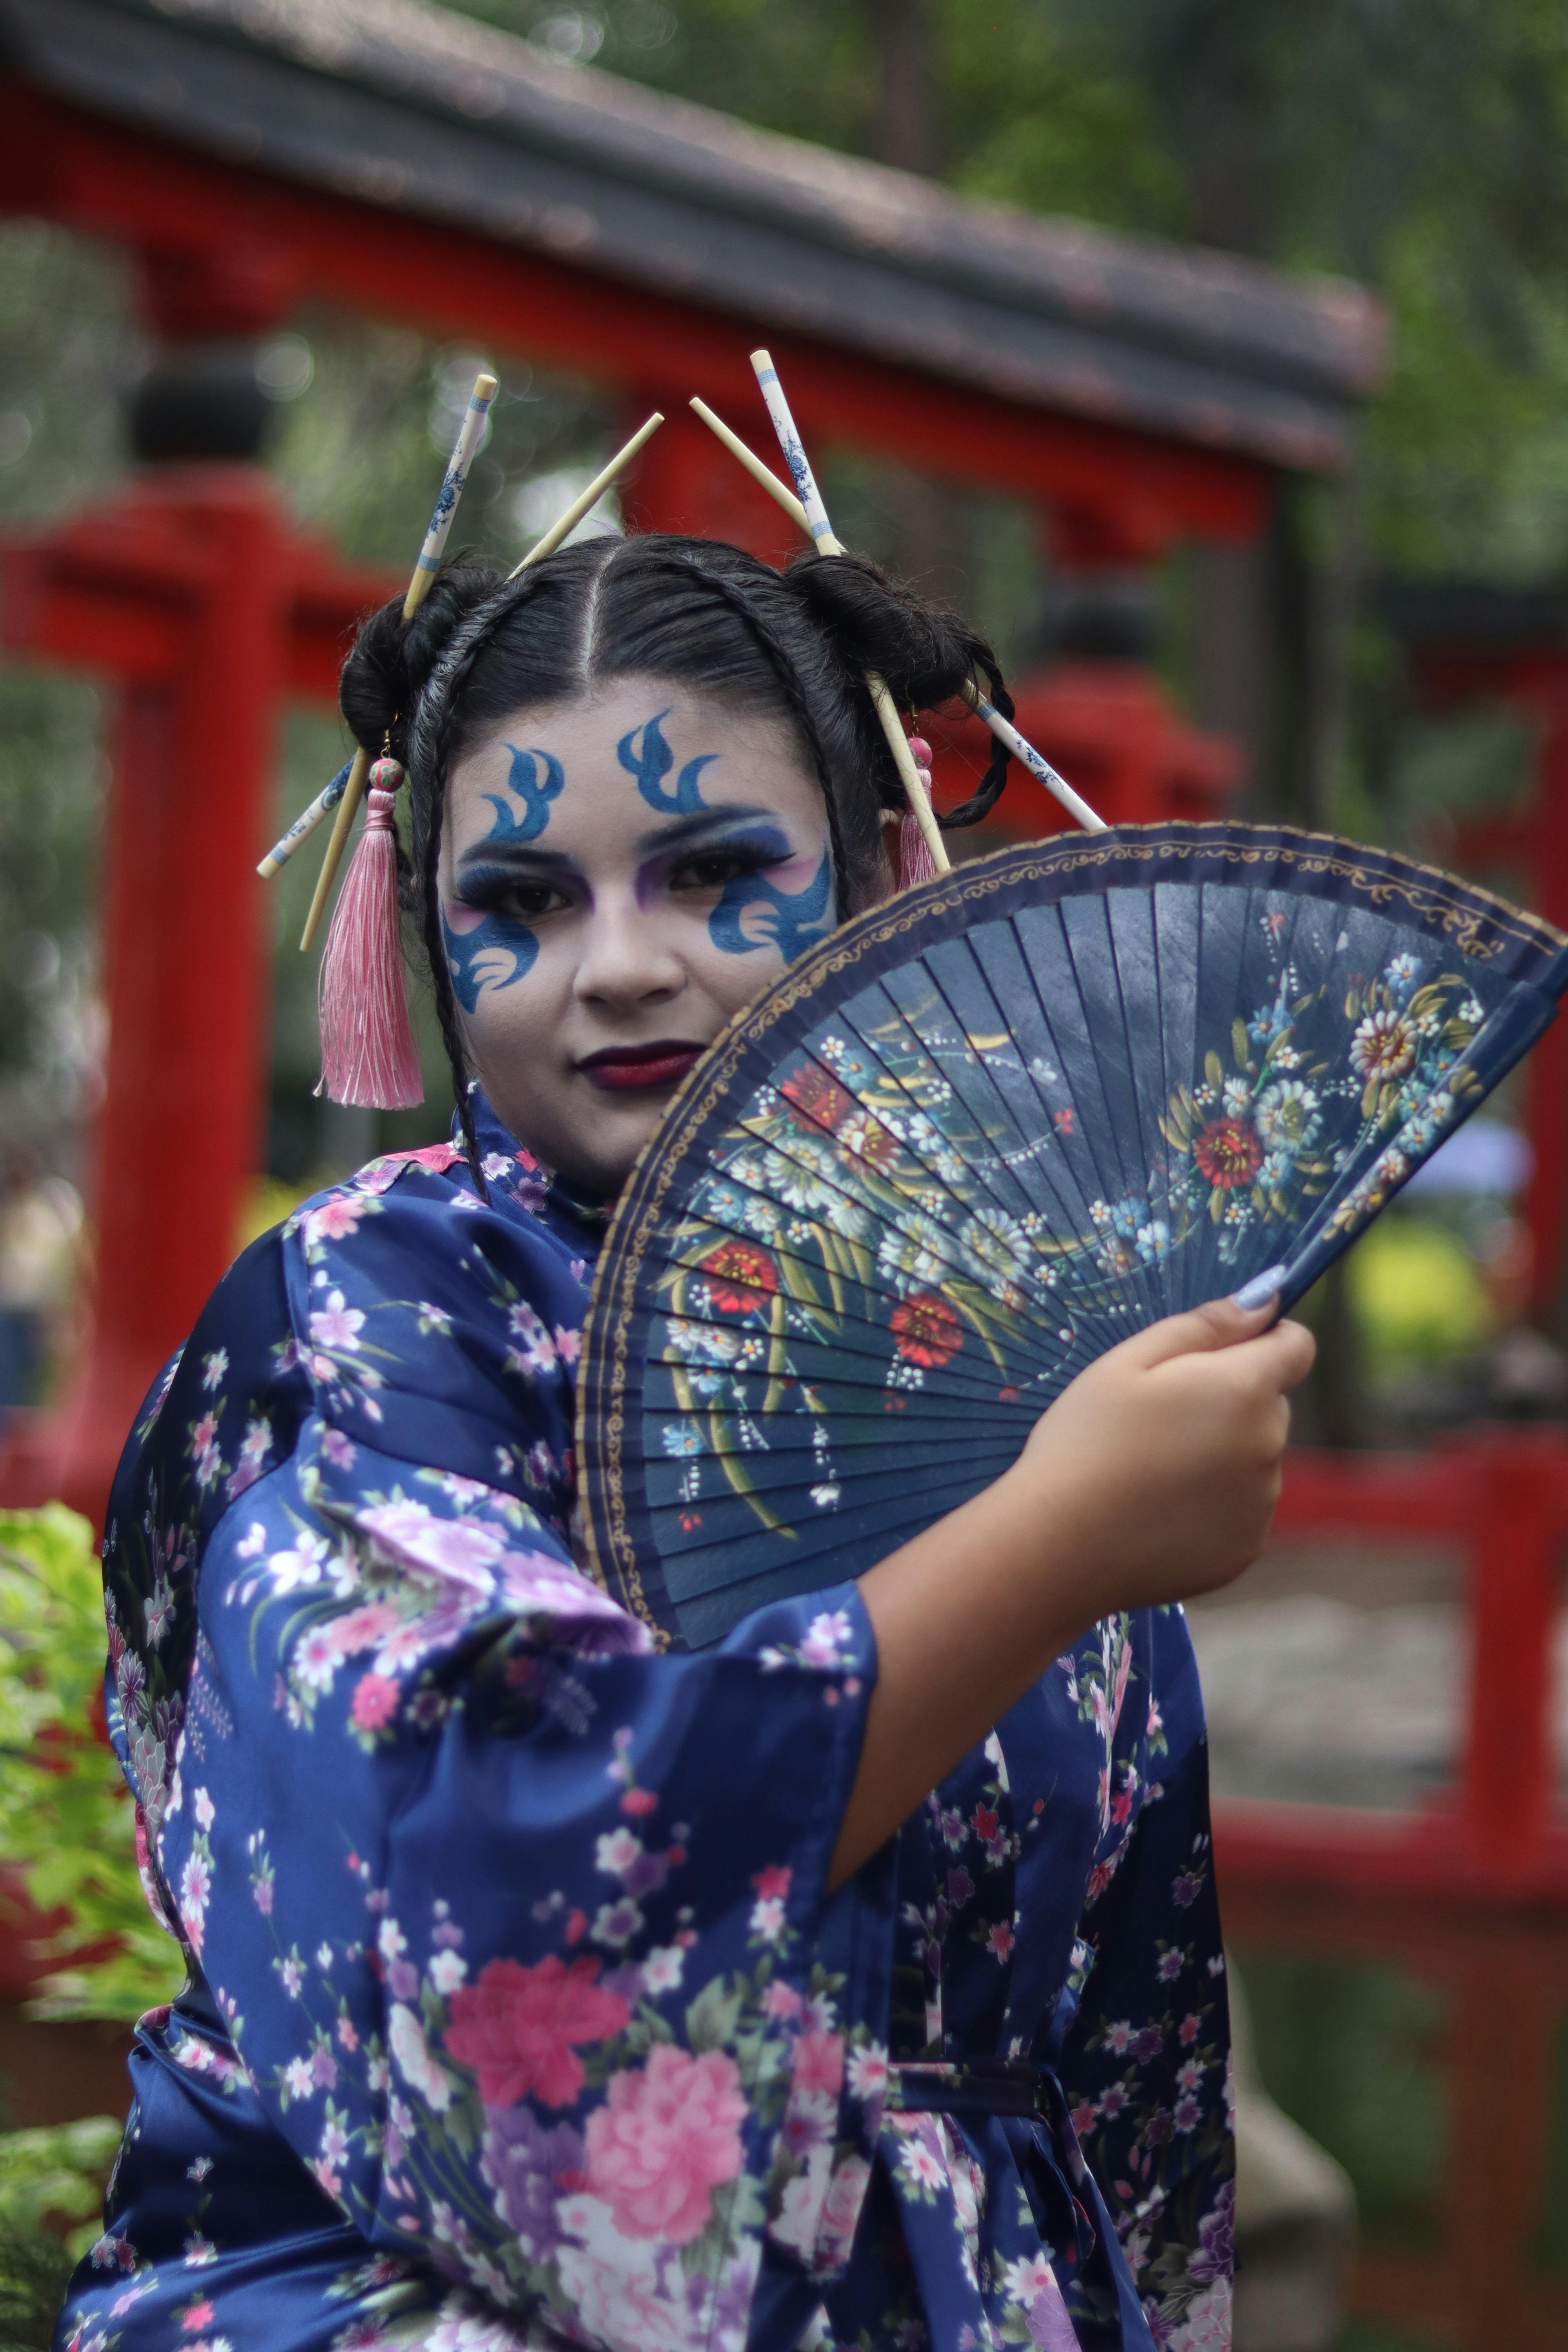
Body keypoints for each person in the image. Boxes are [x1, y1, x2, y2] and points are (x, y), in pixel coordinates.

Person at [58, 536, 1312, 2352]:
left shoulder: (1020, 1352)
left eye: (714, 872)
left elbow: (1118, 2050)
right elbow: (513, 1856)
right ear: (425, 933)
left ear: (892, 874)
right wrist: (1059, 1538)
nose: (620, 965)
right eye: (525, 901)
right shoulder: (363, 1320)